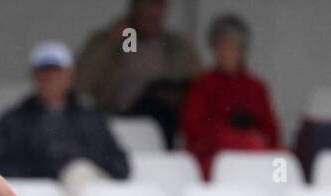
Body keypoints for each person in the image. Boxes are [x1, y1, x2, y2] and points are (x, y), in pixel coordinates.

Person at [0, 42, 128, 196]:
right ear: (33, 76)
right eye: (43, 72)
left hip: (85, 188)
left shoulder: (89, 117)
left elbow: (119, 165)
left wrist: (76, 157)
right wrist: (42, 168)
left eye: (56, 72)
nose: (50, 78)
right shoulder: (14, 119)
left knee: (78, 173)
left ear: (69, 75)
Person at [74, 0, 201, 148]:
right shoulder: (124, 41)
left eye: (156, 16)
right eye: (146, 14)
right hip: (123, 115)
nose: (152, 20)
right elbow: (81, 83)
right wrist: (109, 43)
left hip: (169, 118)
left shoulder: (175, 45)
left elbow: (198, 85)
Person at [179, 14, 281, 180]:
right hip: (214, 159)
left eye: (236, 47)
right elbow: (193, 130)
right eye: (224, 46)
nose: (230, 52)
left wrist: (252, 134)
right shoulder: (201, 86)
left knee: (283, 162)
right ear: (214, 48)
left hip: (255, 157)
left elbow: (272, 133)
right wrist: (231, 135)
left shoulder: (256, 87)